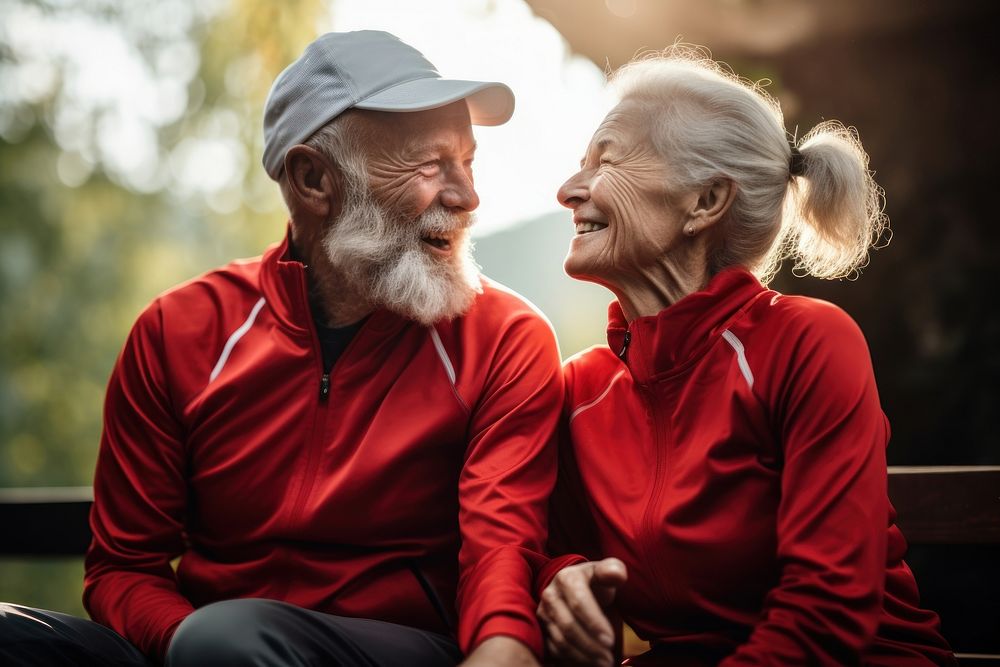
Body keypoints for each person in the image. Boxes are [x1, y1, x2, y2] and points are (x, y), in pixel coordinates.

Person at [0, 31, 560, 667]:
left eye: (467, 160)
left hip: (394, 650)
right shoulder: (176, 333)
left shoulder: (505, 339)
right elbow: (123, 567)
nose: (466, 196)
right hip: (204, 646)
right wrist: (187, 644)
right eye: (430, 165)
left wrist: (501, 651)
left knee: (231, 640)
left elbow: (500, 552)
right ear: (313, 179)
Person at [535, 47, 956, 666]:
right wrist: (560, 578)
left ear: (705, 202)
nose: (569, 190)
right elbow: (538, 550)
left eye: (608, 160)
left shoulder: (806, 342)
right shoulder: (580, 391)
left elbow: (827, 611)